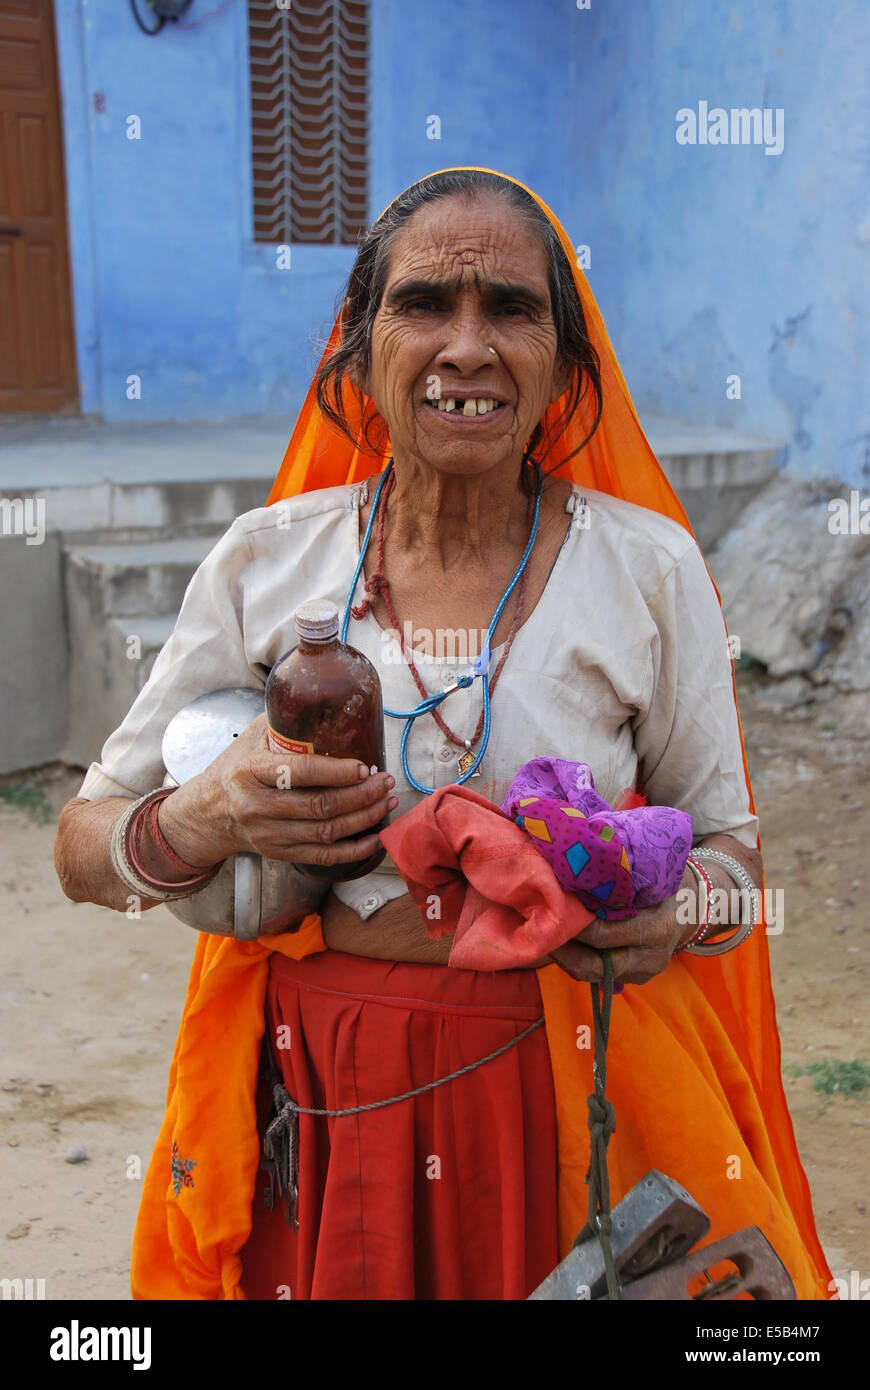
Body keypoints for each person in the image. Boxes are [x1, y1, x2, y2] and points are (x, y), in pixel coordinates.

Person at [54, 166, 832, 1301]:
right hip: (317, 1097)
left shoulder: (649, 570)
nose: (467, 346)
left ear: (568, 366)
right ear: (359, 352)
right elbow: (82, 848)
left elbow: (733, 861)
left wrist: (673, 910)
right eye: (424, 304)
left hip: (574, 1081)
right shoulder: (269, 562)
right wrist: (198, 815)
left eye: (512, 309)